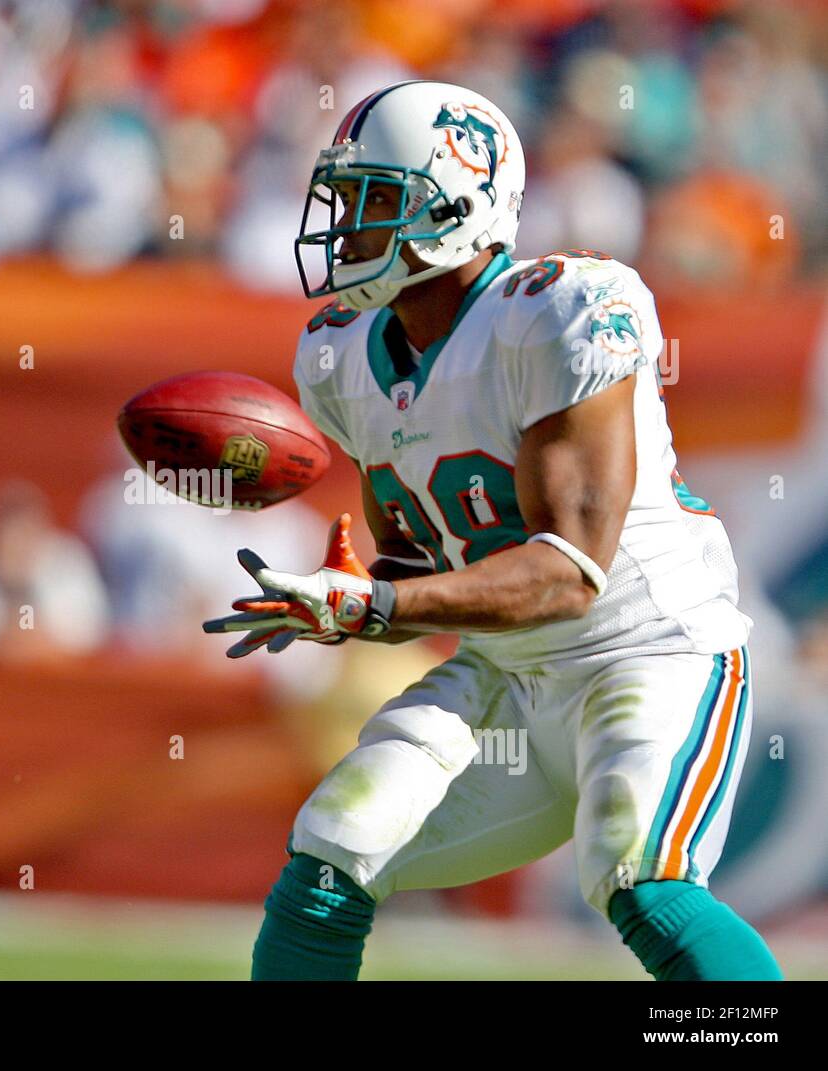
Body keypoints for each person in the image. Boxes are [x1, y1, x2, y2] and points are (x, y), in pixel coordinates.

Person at [205, 81, 781, 981]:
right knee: (333, 851)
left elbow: (569, 569)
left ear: (458, 202)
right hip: (505, 671)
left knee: (642, 880)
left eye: (377, 199)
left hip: (647, 647)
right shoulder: (340, 357)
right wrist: (350, 597)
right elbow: (423, 555)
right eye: (345, 198)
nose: (346, 225)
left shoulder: (560, 310)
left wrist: (379, 603)